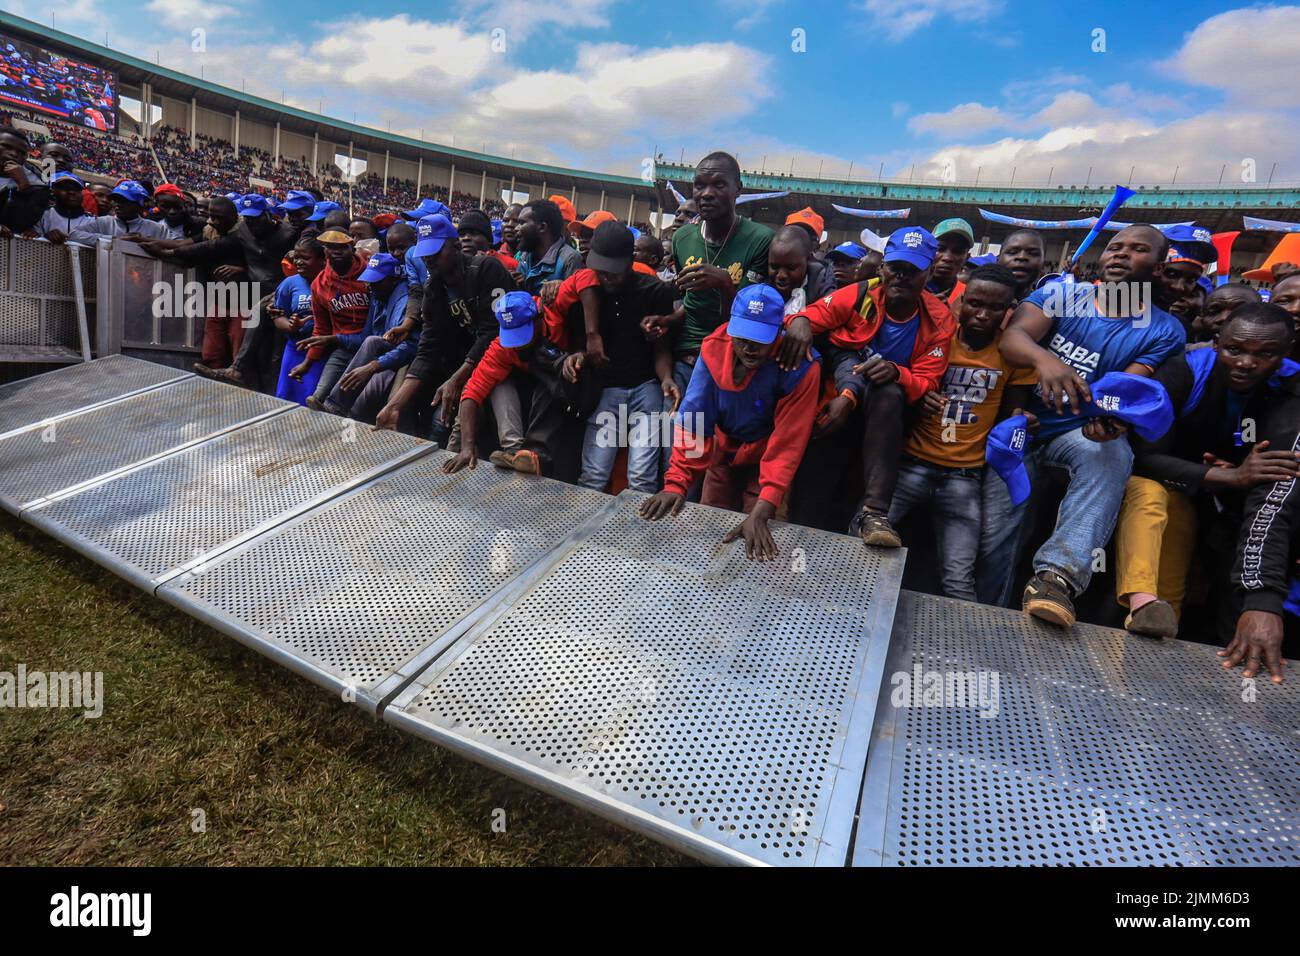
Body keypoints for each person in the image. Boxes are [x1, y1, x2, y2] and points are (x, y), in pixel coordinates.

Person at [984, 224, 1188, 625]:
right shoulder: (1064, 296)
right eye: (1115, 246)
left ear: (1160, 267)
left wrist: (1111, 419)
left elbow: (1126, 387)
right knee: (996, 540)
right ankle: (982, 613)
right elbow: (1014, 337)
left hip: (1076, 434)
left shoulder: (1165, 329)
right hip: (1017, 427)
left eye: (1137, 249)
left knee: (1109, 451)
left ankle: (1057, 579)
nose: (1120, 254)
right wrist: (1046, 361)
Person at [1116, 304, 1298, 638]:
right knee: (1160, 506)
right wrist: (1228, 476)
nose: (1246, 363)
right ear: (1217, 342)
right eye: (1235, 350)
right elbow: (1143, 455)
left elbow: (1277, 471)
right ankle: (1150, 613)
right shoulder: (1184, 370)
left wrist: (1237, 479)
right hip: (1172, 482)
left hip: (1234, 503)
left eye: (1266, 354)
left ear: (1287, 351)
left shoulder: (1292, 385)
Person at [782, 226, 955, 543]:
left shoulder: (939, 318)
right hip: (838, 406)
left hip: (888, 421)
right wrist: (801, 323)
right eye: (895, 268)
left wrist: (896, 372)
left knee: (887, 391)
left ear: (928, 272)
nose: (900, 277)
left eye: (912, 270)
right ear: (883, 267)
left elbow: (928, 381)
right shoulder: (862, 293)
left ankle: (874, 513)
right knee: (810, 502)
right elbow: (810, 315)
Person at [639, 283, 820, 561]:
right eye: (743, 338)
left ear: (778, 332)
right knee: (709, 533)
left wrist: (765, 507)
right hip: (723, 453)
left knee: (763, 545)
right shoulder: (714, 347)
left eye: (761, 339)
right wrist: (676, 483)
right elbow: (695, 420)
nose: (749, 348)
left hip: (767, 458)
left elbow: (789, 441)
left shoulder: (801, 366)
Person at [888, 265, 1035, 600]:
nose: (982, 314)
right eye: (974, 303)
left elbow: (1014, 412)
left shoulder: (1011, 353)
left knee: (959, 580)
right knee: (862, 538)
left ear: (1008, 310)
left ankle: (959, 648)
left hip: (964, 477)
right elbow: (906, 387)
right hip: (912, 465)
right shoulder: (936, 339)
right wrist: (918, 399)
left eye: (995, 308)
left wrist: (1022, 419)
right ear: (960, 301)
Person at [374, 214, 515, 442]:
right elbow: (428, 347)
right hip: (460, 364)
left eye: (436, 252)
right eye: (425, 254)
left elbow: (493, 332)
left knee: (441, 423)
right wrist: (395, 405)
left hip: (499, 363)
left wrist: (457, 380)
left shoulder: (486, 269)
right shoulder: (434, 288)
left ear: (457, 246)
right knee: (407, 405)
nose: (429, 259)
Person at [561, 221, 678, 493]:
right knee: (593, 475)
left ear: (629, 263)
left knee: (641, 479)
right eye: (600, 272)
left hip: (645, 387)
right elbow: (578, 343)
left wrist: (666, 378)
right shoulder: (590, 291)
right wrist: (576, 357)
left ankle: (635, 535)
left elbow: (662, 348)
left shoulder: (654, 291)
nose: (606, 279)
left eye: (612, 273)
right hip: (607, 390)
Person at [646, 152, 773, 397]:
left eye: (718, 184)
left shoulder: (761, 240)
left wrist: (724, 284)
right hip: (686, 356)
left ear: (738, 188)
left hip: (731, 355)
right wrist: (668, 321)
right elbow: (691, 302)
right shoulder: (682, 238)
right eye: (700, 185)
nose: (706, 193)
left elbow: (747, 320)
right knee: (674, 430)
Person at [442, 290, 576, 477]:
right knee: (496, 384)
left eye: (522, 335)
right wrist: (467, 447)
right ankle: (516, 453)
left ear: (538, 319)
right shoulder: (502, 347)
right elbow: (472, 393)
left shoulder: (556, 311)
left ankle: (532, 454)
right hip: (531, 392)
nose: (517, 345)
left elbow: (584, 280)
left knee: (548, 386)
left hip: (574, 386)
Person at [322, 252, 415, 423]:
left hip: (402, 359)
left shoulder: (403, 298)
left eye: (376, 282)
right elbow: (365, 336)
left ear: (393, 279)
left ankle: (336, 405)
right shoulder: (377, 295)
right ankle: (335, 407)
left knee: (359, 406)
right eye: (369, 281)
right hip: (380, 357)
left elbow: (400, 347)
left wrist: (372, 367)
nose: (371, 286)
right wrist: (335, 339)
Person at [290, 229, 369, 408]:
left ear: (352, 247)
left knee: (345, 398)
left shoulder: (369, 272)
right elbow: (322, 328)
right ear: (324, 251)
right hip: (343, 344)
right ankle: (320, 399)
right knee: (317, 396)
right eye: (331, 247)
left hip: (372, 340)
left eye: (342, 247)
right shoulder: (319, 284)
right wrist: (307, 363)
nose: (337, 251)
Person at [273, 238, 327, 404]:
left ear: (321, 260)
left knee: (311, 398)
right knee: (286, 399)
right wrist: (290, 326)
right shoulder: (289, 284)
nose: (298, 262)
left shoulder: (330, 282)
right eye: (296, 257)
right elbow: (277, 315)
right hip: (294, 349)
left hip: (322, 352)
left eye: (305, 258)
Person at [1155, 225, 1217, 337]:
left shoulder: (1180, 328)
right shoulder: (1119, 305)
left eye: (1191, 279)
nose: (1179, 287)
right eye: (1171, 274)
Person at [514, 198, 582, 295]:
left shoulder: (570, 260)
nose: (516, 228)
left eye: (522, 223)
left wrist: (561, 289)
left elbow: (571, 304)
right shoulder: (524, 256)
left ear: (542, 227)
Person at [67, 179, 168, 243]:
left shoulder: (157, 228)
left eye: (124, 201)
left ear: (139, 204)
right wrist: (114, 240)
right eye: (115, 200)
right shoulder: (103, 221)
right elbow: (74, 234)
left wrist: (147, 242)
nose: (117, 204)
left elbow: (178, 244)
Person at [767, 225, 834, 315]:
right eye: (774, 267)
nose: (781, 275)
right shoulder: (760, 281)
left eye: (791, 267)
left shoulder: (823, 287)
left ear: (809, 260)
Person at [0, 127, 49, 235]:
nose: (13, 154)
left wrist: (22, 187)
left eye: (21, 152)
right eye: (7, 147)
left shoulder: (37, 185)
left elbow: (20, 225)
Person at [927, 218, 974, 305]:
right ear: (928, 250)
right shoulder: (907, 288)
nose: (947, 258)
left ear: (966, 258)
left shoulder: (970, 297)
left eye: (958, 251)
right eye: (940, 249)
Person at [36, 171, 94, 240]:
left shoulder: (92, 221)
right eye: (65, 188)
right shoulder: (43, 215)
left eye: (76, 189)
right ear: (53, 192)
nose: (71, 192)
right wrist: (45, 237)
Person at [1194, 283, 1260, 342]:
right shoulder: (1188, 353)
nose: (1225, 318)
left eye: (1240, 312)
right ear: (1201, 318)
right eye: (1214, 312)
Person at [996, 229, 1046, 298]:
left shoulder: (1049, 306)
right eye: (1012, 252)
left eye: (1033, 253)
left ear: (1043, 265)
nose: (1021, 257)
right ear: (997, 260)